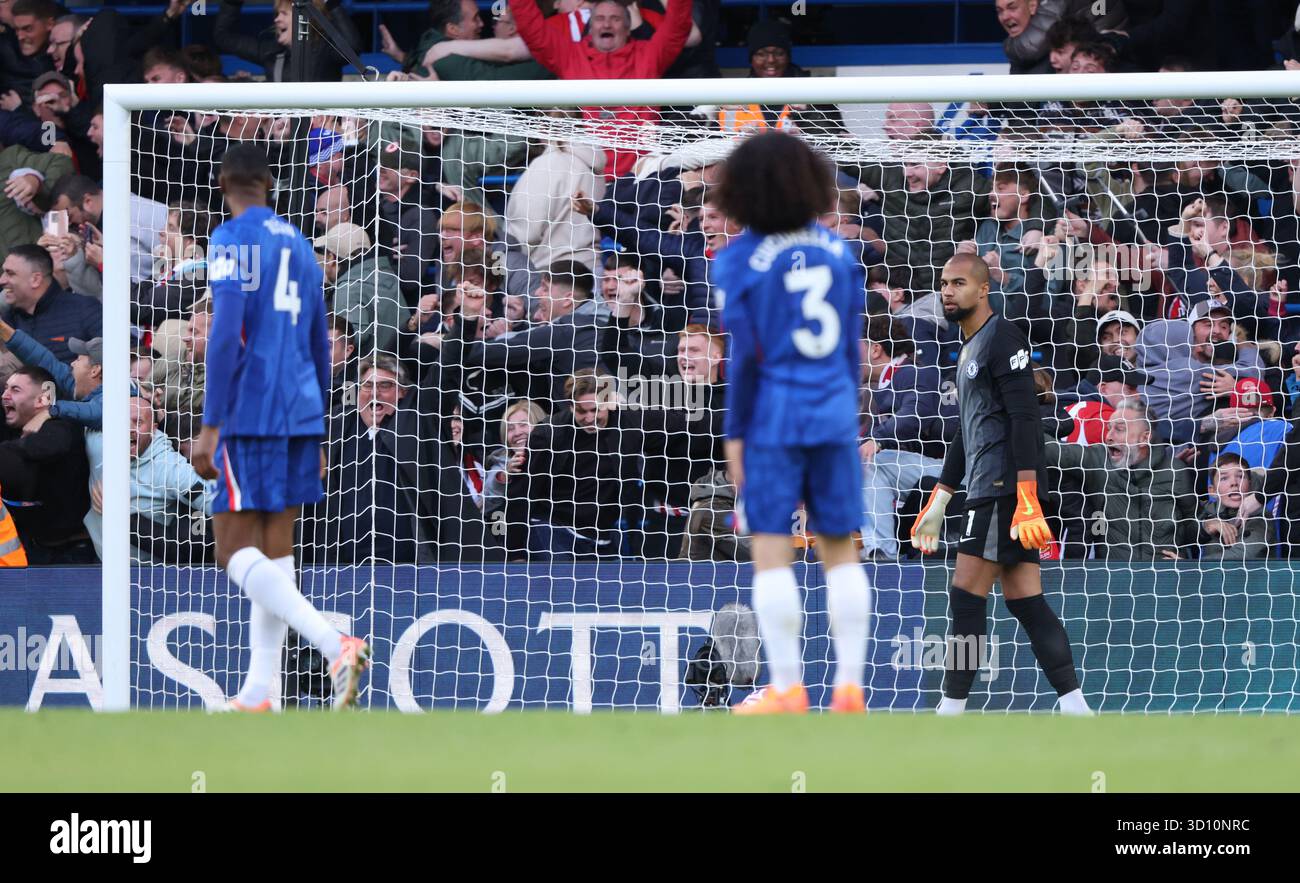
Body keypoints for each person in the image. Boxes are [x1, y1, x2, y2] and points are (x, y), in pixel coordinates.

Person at [189, 144, 370, 712]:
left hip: (252, 411)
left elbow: (224, 334)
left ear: (224, 184)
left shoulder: (231, 239)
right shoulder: (301, 245)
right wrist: (315, 430)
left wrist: (211, 424)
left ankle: (334, 643)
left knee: (231, 551)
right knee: (275, 550)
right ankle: (258, 692)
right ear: (271, 184)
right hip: (299, 409)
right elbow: (321, 340)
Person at [711, 131, 873, 715]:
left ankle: (787, 688)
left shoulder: (737, 261)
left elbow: (746, 359)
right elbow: (850, 346)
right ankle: (849, 688)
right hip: (833, 413)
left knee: (772, 548)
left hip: (774, 418)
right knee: (839, 547)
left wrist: (736, 439)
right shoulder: (841, 254)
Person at [909, 253, 1092, 716]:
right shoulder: (968, 349)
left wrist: (1028, 495)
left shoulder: (1003, 337)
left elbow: (1026, 417)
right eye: (944, 283)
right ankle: (1075, 706)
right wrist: (939, 499)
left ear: (983, 289)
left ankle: (949, 711)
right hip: (991, 488)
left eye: (958, 283)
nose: (948, 291)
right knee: (1025, 599)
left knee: (965, 594)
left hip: (1003, 489)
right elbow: (966, 433)